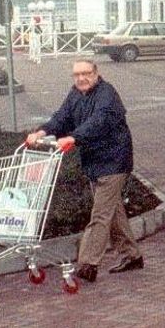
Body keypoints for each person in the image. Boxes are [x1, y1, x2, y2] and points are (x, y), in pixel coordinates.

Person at [27, 57, 142, 282]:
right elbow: (61, 117)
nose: (81, 78)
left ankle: (88, 264)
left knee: (100, 214)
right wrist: (41, 132)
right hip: (94, 161)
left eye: (86, 73)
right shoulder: (75, 94)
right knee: (113, 210)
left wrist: (73, 137)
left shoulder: (106, 94)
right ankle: (132, 255)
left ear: (96, 73)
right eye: (77, 74)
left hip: (114, 160)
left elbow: (99, 122)